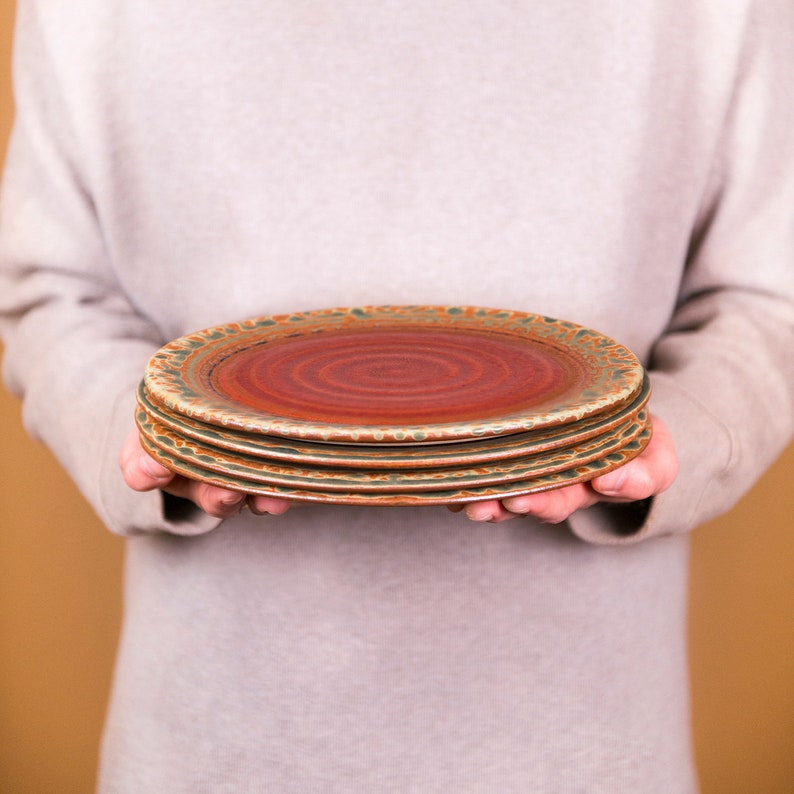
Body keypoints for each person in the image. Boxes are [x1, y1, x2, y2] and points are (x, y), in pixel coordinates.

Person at [1, 2, 792, 791]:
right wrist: (144, 434)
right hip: (212, 746)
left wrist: (670, 438)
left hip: (587, 750)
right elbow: (48, 290)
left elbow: (769, 299)